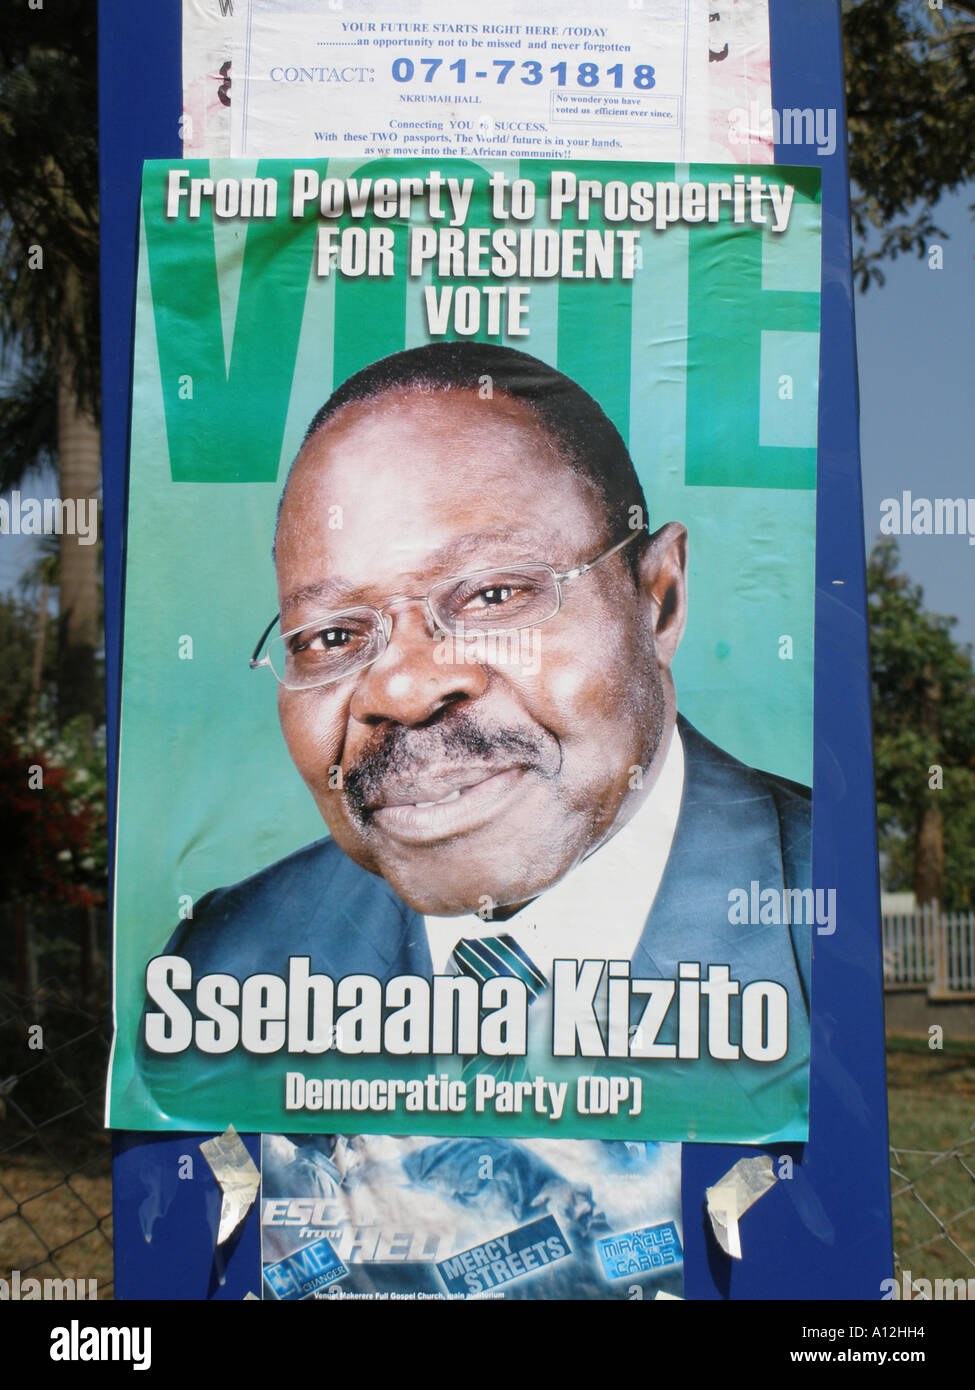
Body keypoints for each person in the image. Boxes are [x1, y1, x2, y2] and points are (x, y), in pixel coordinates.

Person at [137, 342, 811, 1142]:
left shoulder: (824, 914)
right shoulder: (227, 961)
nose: (403, 687)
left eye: (494, 593)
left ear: (655, 601)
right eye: (330, 636)